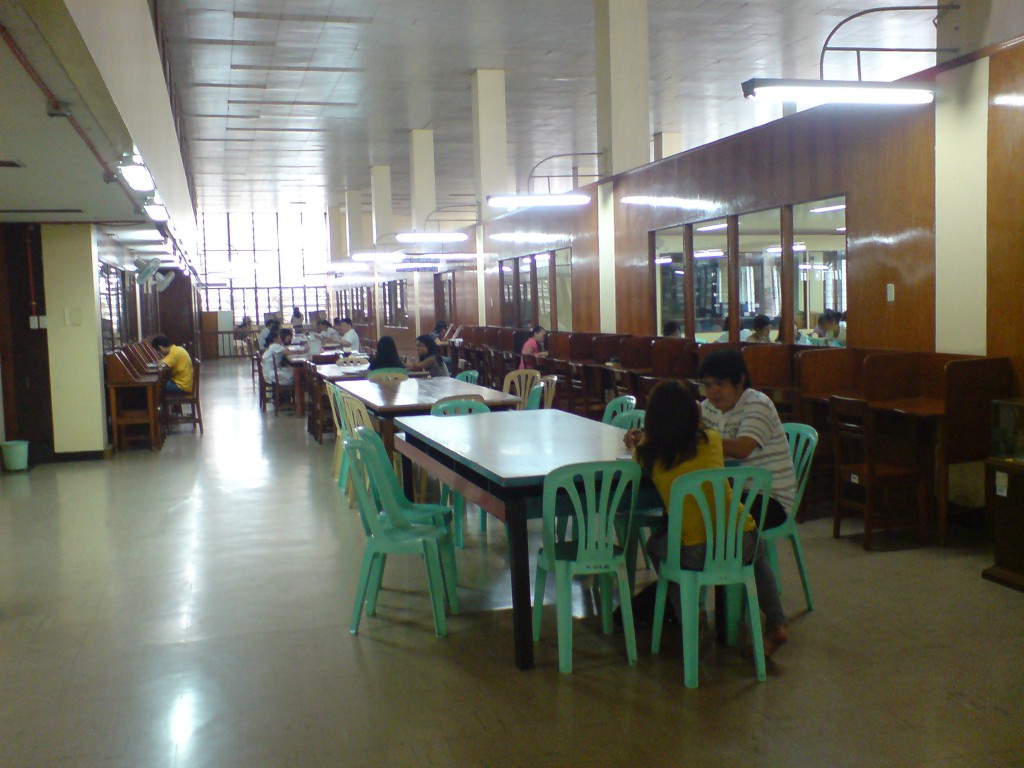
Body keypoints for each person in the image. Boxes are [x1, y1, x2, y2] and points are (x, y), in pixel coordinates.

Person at [623, 379, 788, 655]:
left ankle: (694, 617)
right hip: (740, 538)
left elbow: (642, 450)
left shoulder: (648, 456)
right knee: (757, 553)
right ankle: (776, 621)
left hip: (695, 550)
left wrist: (639, 440)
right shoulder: (710, 440)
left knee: (659, 548)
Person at [697, 348, 798, 535]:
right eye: (708, 385)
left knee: (704, 522)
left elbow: (742, 448)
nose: (713, 391)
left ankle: (746, 563)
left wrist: (699, 437)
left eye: (720, 383)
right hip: (732, 492)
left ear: (740, 380)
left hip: (769, 498)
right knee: (682, 512)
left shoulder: (758, 403)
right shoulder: (708, 407)